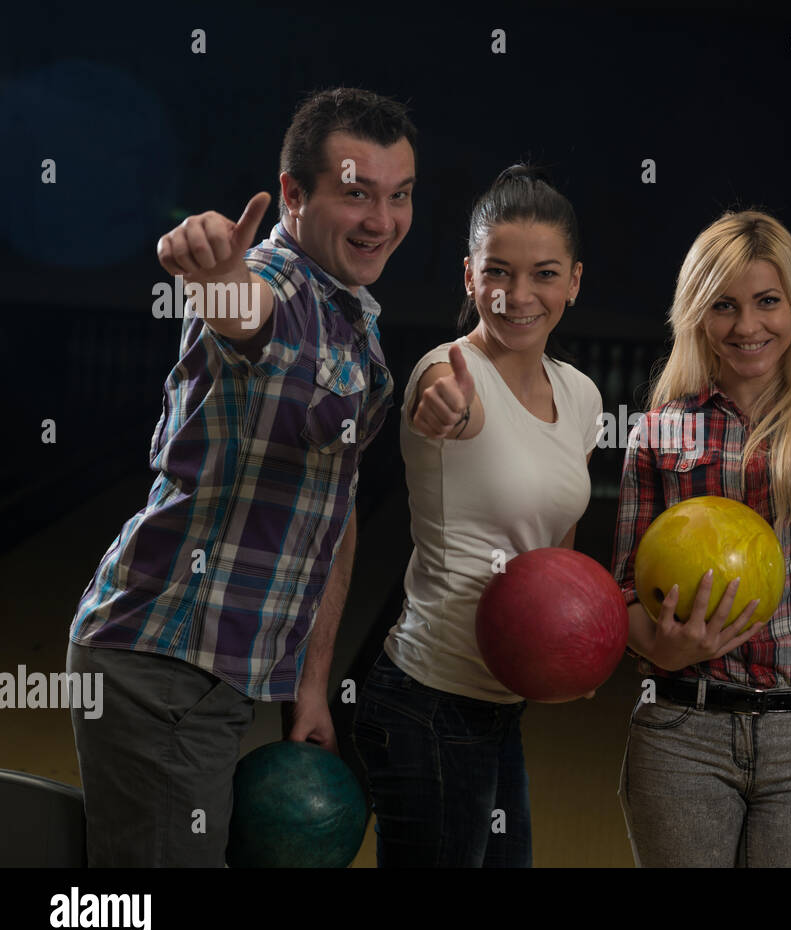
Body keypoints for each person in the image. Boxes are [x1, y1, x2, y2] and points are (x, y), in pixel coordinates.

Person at [67, 88, 416, 866]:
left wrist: (313, 683)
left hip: (214, 676)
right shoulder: (274, 280)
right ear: (294, 194)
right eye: (357, 193)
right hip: (161, 666)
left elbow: (335, 504)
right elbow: (245, 319)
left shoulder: (352, 312)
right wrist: (218, 278)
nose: (382, 219)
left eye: (399, 196)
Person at [611, 210, 791, 867]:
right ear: (696, 314)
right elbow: (626, 591)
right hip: (685, 726)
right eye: (724, 305)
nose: (748, 326)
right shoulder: (658, 433)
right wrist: (661, 643)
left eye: (768, 301)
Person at [351, 166, 603, 868]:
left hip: (500, 704)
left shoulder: (581, 395)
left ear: (574, 280)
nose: (517, 295)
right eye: (497, 271)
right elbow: (442, 405)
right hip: (426, 702)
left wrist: (572, 644)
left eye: (544, 273)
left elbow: (561, 557)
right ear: (469, 275)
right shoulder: (446, 372)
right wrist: (444, 411)